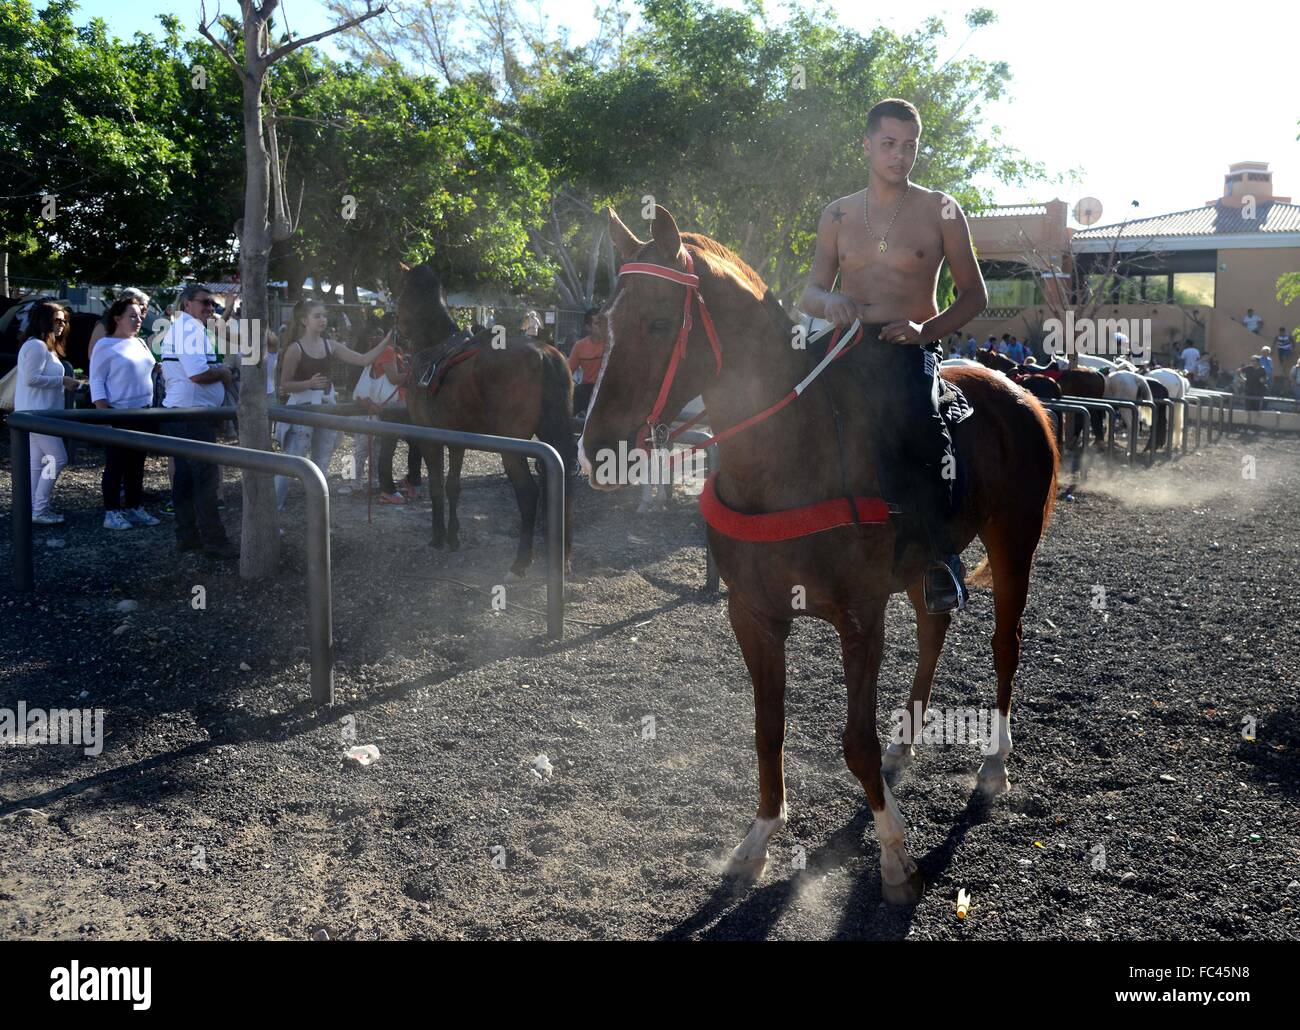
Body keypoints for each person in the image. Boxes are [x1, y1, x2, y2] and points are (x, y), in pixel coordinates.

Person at [799, 97, 987, 613]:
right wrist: (831, 300)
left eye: (909, 146)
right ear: (866, 145)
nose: (899, 156)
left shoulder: (942, 208)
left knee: (918, 423)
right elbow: (810, 292)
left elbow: (975, 296)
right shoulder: (836, 213)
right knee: (789, 409)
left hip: (909, 346)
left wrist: (926, 328)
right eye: (888, 144)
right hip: (845, 342)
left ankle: (938, 559)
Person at [273, 298, 386, 510]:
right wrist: (309, 383)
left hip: (325, 407)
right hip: (301, 411)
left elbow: (362, 359)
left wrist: (387, 340)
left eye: (324, 315)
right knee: (291, 465)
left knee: (321, 466)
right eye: (318, 316)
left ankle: (318, 519)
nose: (323, 320)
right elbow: (284, 385)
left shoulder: (330, 345)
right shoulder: (295, 349)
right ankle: (273, 513)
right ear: (304, 320)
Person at [160, 284, 236, 557]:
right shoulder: (189, 329)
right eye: (205, 302)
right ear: (187, 304)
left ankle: (188, 536)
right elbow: (197, 374)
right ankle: (214, 542)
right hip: (191, 415)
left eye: (213, 304)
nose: (210, 308)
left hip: (184, 412)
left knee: (186, 479)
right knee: (205, 479)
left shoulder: (186, 328)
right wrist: (224, 373)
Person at [90, 298, 160, 530]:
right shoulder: (105, 345)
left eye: (140, 315)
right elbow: (97, 381)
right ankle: (111, 512)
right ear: (117, 318)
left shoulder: (140, 342)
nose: (138, 320)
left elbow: (147, 368)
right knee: (116, 465)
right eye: (132, 316)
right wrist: (104, 415)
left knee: (137, 464)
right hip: (117, 412)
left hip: (143, 412)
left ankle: (134, 506)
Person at [15, 302, 82, 525]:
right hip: (39, 415)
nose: (62, 325)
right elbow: (31, 379)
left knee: (38, 462)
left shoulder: (42, 346)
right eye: (57, 320)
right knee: (58, 458)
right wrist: (62, 380)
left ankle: (33, 507)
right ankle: (39, 508)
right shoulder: (36, 346)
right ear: (44, 320)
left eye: (64, 320)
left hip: (37, 413)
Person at [87, 287, 150, 369]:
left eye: (145, 304)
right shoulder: (104, 325)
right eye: (140, 303)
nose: (144, 308)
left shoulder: (134, 329)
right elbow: (93, 356)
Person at [567, 308, 606, 416]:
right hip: (589, 388)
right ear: (588, 327)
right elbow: (568, 371)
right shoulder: (579, 346)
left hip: (607, 388)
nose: (602, 327)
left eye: (603, 323)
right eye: (597, 324)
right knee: (566, 405)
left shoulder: (611, 344)